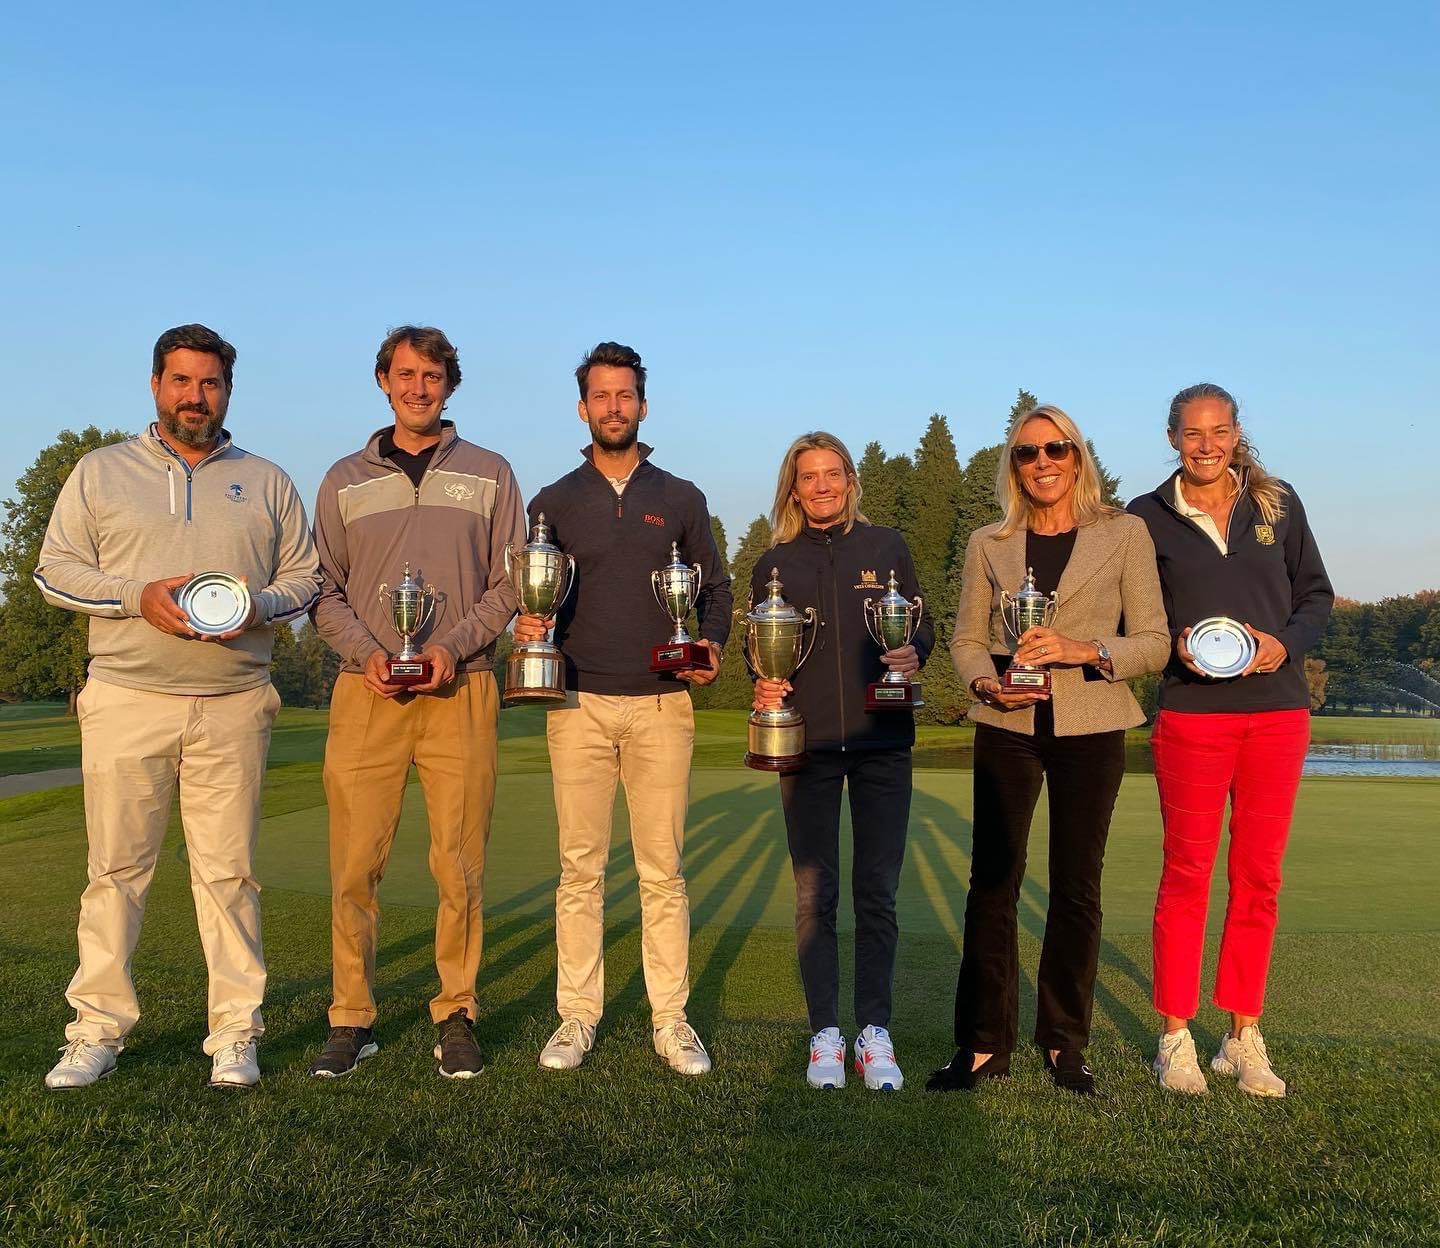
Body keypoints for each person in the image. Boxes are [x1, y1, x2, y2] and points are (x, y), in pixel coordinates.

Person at [34, 323, 320, 1090]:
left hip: (232, 700)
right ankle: (96, 1030)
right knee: (116, 873)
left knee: (229, 876)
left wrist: (254, 602)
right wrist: (137, 597)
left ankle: (234, 1033)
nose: (197, 397)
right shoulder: (100, 472)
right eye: (182, 382)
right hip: (128, 698)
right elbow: (54, 571)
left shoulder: (266, 480)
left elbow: (306, 577)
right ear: (157, 386)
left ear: (229, 389)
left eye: (212, 383)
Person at [930, 404, 1169, 1095]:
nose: (1043, 464)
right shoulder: (989, 542)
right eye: (1028, 453)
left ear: (1077, 458)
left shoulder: (1125, 534)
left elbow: (1153, 639)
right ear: (1014, 465)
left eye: (1056, 450)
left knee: (1076, 887)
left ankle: (1065, 1043)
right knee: (993, 883)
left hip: (1092, 723)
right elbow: (968, 637)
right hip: (1007, 724)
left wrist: (1083, 649)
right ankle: (981, 1044)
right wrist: (984, 680)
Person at [309, 326, 525, 1080]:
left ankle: (457, 1009)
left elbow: (512, 585)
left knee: (458, 865)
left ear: (449, 384)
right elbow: (322, 590)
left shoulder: (492, 472)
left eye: (432, 375)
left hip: (461, 689)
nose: (418, 387)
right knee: (353, 866)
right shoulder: (342, 478)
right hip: (364, 693)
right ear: (382, 381)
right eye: (405, 375)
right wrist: (368, 653)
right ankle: (350, 1016)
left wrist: (451, 648)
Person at [515, 341, 730, 1076]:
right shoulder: (553, 501)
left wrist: (712, 646)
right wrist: (530, 627)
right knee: (580, 870)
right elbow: (532, 598)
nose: (614, 407)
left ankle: (671, 1018)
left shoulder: (681, 498)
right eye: (601, 396)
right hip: (576, 702)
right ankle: (577, 1015)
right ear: (584, 408)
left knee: (662, 871)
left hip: (663, 705)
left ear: (642, 404)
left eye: (625, 395)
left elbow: (718, 592)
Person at [1128, 383, 1333, 1097]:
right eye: (1192, 433)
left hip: (1277, 711)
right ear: (1173, 437)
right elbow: (1137, 623)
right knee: (1185, 874)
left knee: (1259, 878)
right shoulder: (1145, 517)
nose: (1206, 444)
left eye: (1219, 431)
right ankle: (1174, 1036)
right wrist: (1172, 647)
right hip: (1191, 716)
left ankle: (1243, 1035)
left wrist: (1285, 646)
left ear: (1237, 433)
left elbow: (1317, 596)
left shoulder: (1277, 504)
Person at [750, 432, 934, 1091]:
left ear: (851, 480)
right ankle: (825, 1033)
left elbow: (920, 622)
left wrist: (913, 650)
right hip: (809, 744)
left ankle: (873, 1032)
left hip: (883, 741)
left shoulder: (886, 546)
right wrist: (764, 681)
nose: (823, 485)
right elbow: (761, 649)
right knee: (813, 894)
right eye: (810, 476)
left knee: (876, 893)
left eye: (834, 473)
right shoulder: (775, 561)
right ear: (793, 488)